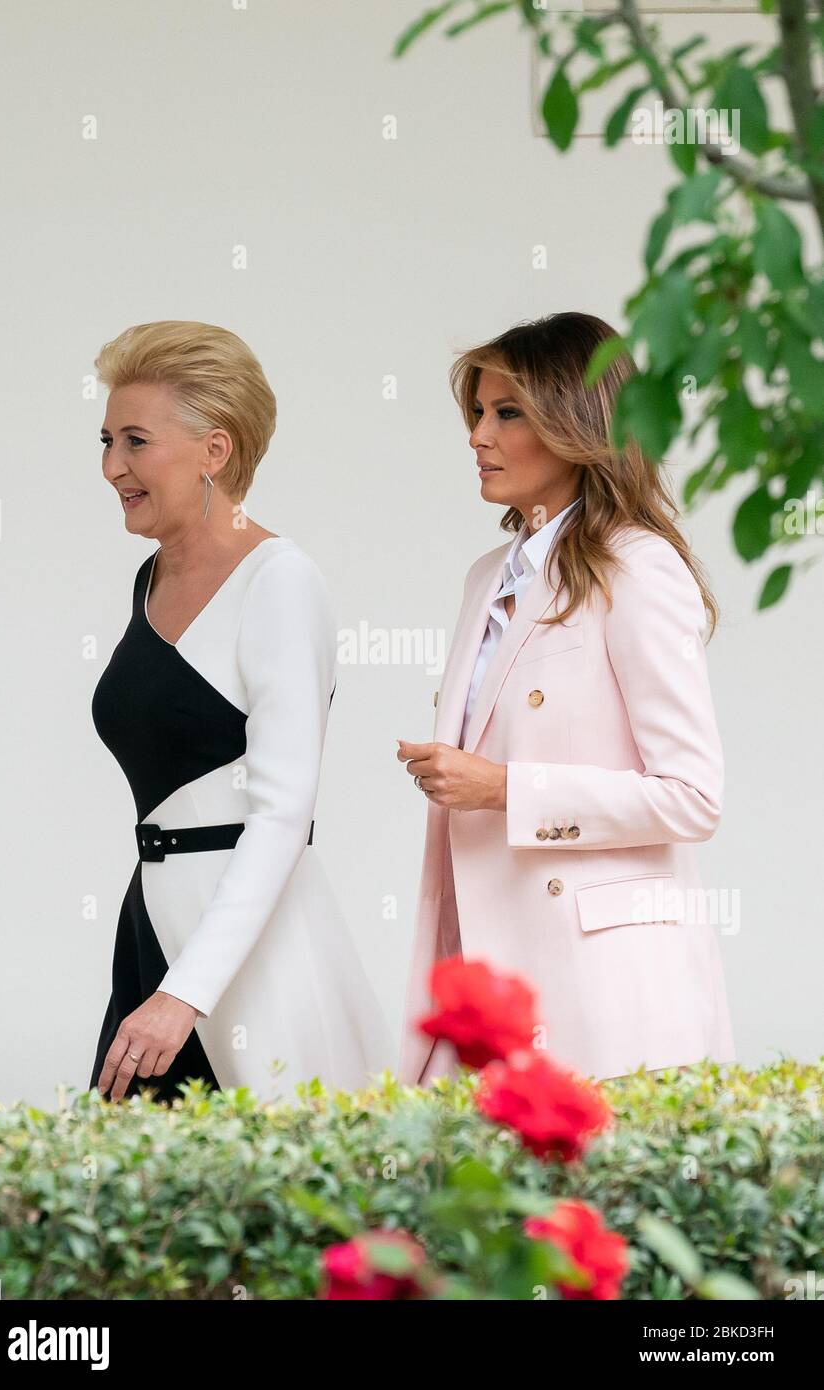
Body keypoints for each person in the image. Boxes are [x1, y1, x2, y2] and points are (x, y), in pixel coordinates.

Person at [398, 313, 735, 1084]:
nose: (478, 435)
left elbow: (692, 797)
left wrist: (507, 789)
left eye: (506, 412)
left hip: (605, 988)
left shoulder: (639, 568)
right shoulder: (487, 576)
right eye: (477, 412)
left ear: (577, 422)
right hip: (490, 977)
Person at [90, 320, 390, 1102]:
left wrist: (185, 995)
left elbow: (284, 811)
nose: (111, 466)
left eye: (134, 441)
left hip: (249, 958)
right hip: (154, 926)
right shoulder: (149, 581)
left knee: (270, 1203)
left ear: (214, 451)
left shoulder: (279, 581)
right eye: (106, 440)